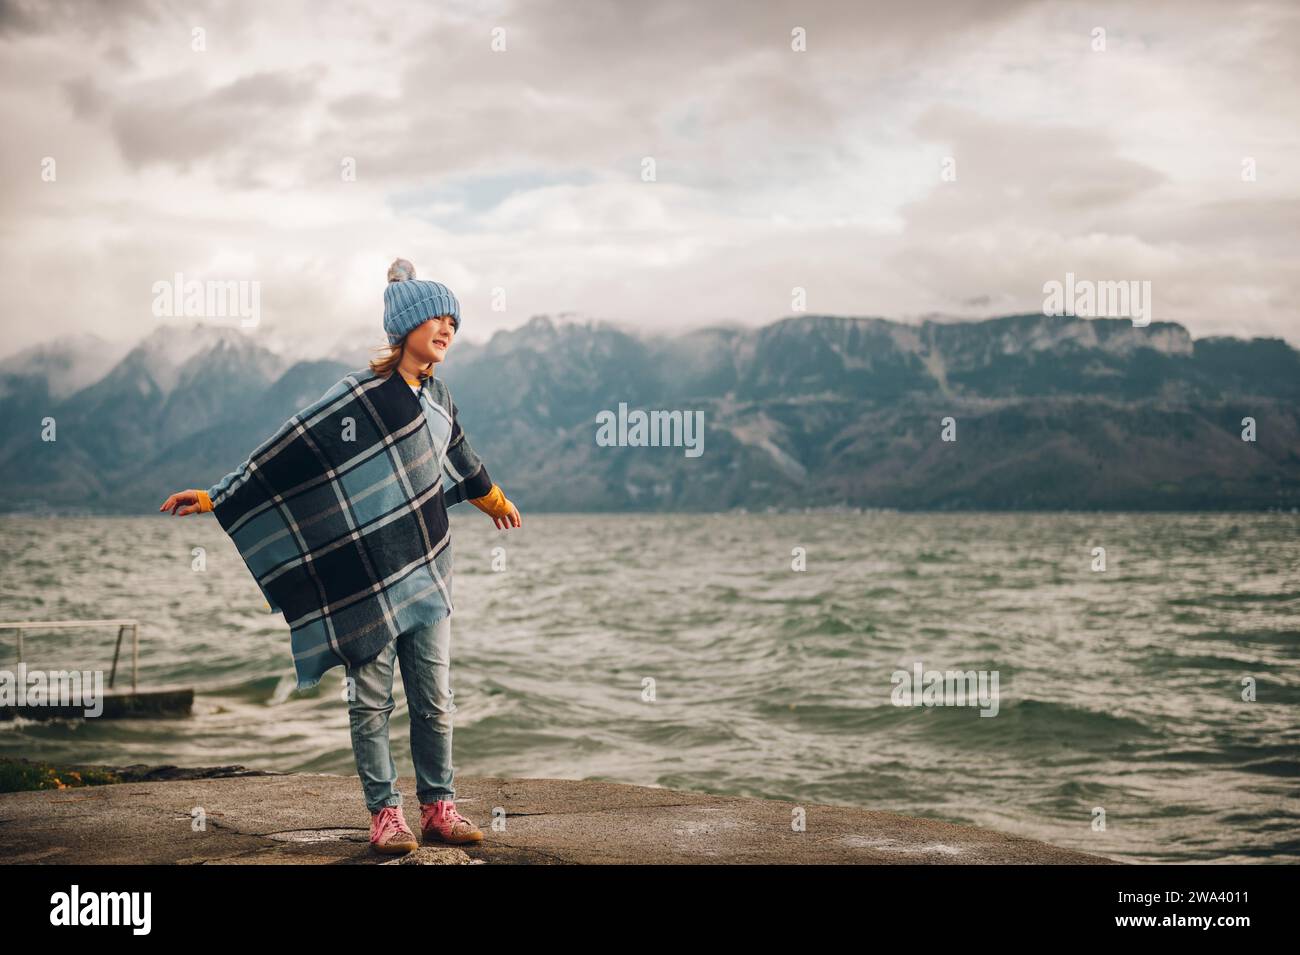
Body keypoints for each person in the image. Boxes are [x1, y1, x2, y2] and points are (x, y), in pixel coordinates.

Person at [159, 258, 520, 856]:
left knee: (433, 699)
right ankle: (386, 816)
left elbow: (463, 456)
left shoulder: (441, 398)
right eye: (434, 317)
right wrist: (217, 494)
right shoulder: (359, 395)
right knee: (371, 698)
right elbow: (288, 449)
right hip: (366, 576)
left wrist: (495, 499)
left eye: (452, 320)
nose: (446, 328)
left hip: (428, 568)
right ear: (403, 327)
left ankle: (439, 808)